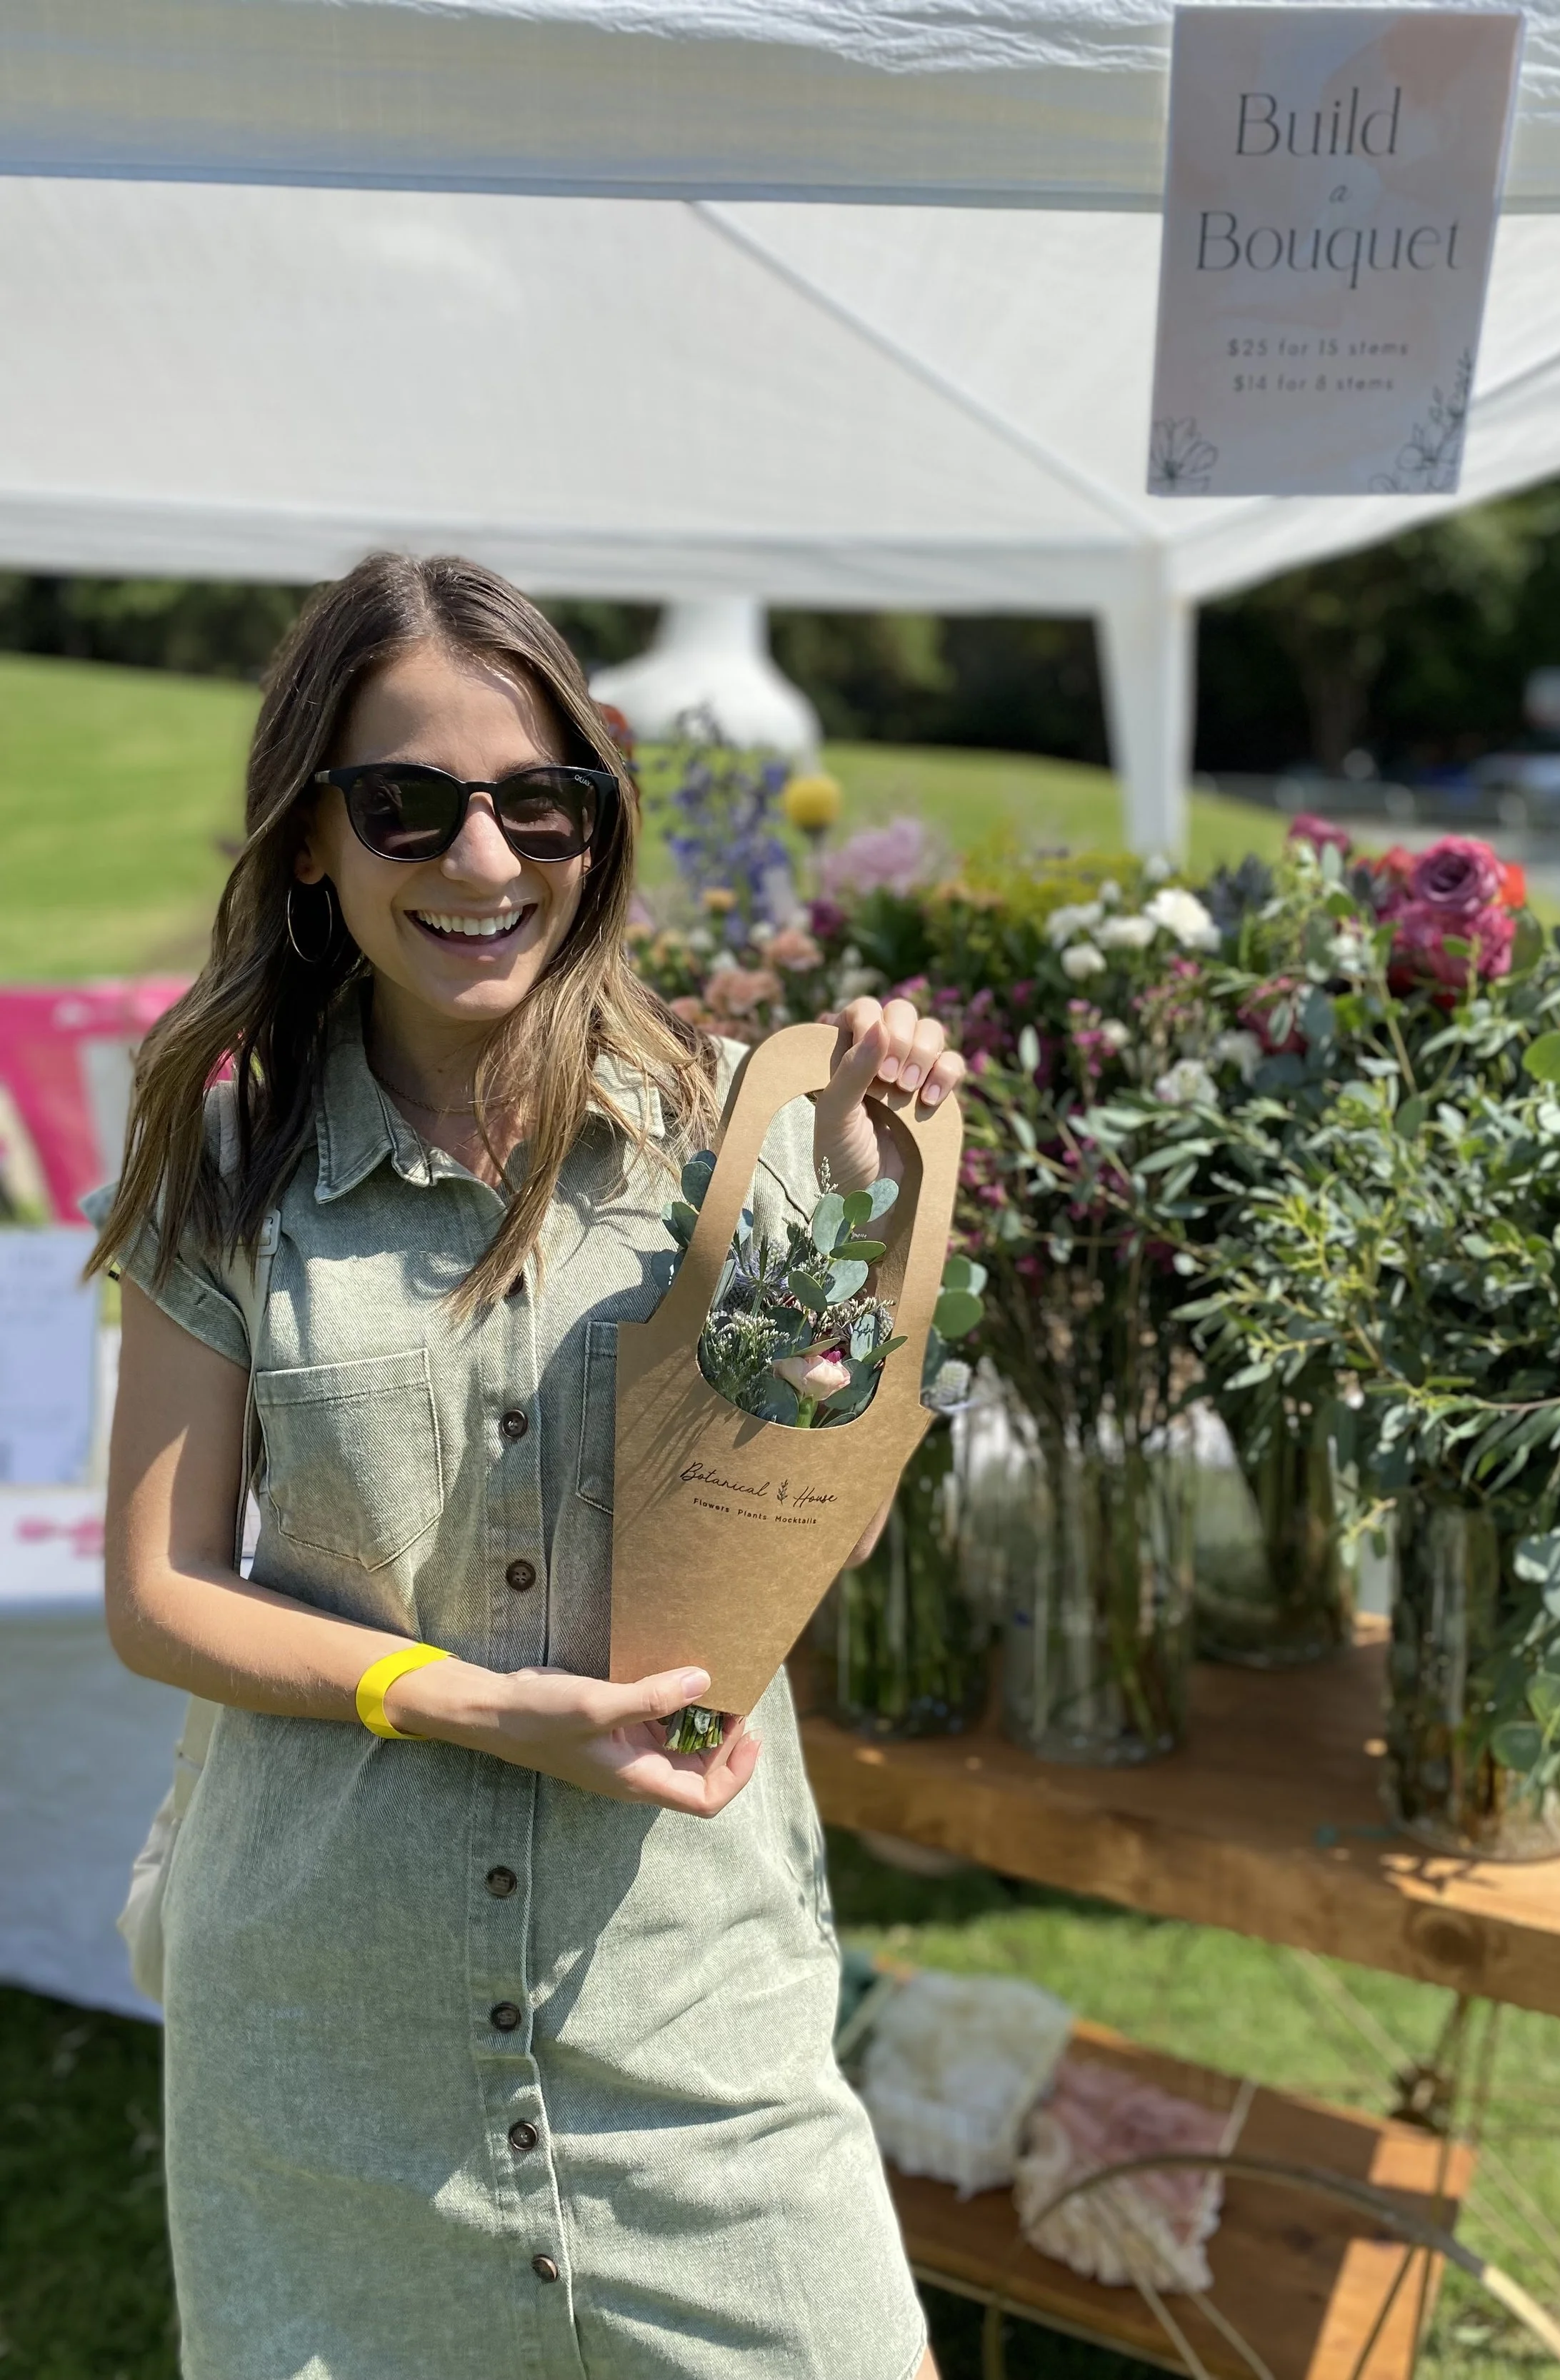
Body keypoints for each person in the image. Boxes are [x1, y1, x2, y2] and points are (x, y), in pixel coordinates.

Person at [90, 553, 964, 2380]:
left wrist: (877, 1214)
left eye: (535, 801)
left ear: (597, 819)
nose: (481, 864)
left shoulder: (747, 1133)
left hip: (688, 2029)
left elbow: (824, 1522)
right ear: (311, 838)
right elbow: (162, 1595)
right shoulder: (228, 1163)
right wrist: (473, 1704)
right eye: (404, 805)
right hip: (331, 2049)